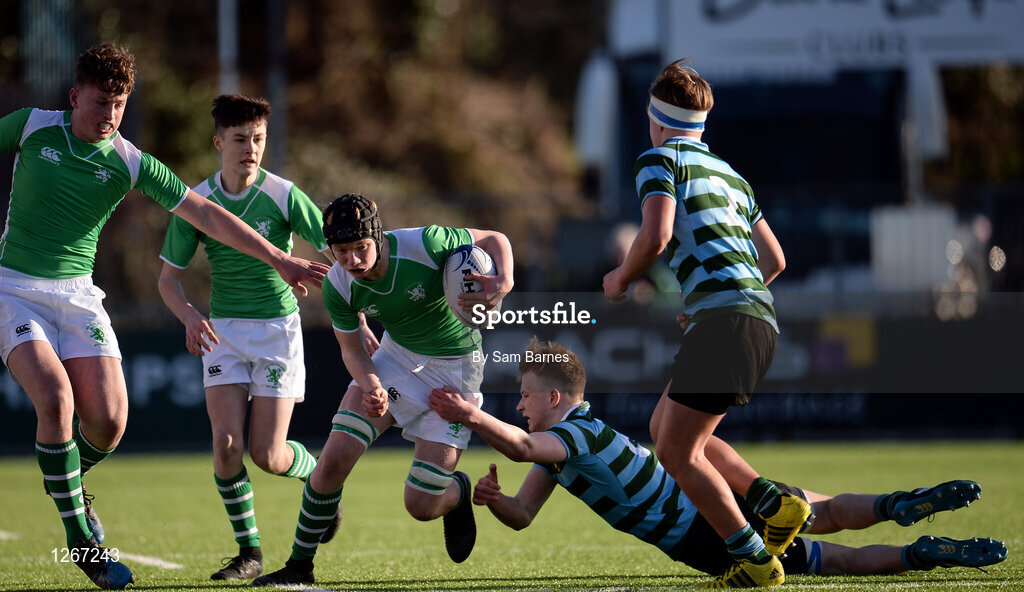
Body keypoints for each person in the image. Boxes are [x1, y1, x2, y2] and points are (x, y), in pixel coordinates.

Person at [0, 43, 327, 591]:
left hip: (78, 294)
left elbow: (206, 214)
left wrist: (280, 257)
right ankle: (83, 538)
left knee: (108, 423)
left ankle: (68, 483)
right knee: (56, 400)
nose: (110, 116)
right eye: (101, 102)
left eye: (120, 105)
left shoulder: (129, 161)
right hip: (14, 288)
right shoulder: (32, 127)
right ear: (75, 96)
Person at [428, 338, 1008, 587]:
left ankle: (919, 555)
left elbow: (526, 446)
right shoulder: (576, 442)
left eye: (525, 394)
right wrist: (498, 502)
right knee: (820, 511)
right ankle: (899, 505)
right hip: (710, 501)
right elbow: (525, 515)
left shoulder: (569, 439)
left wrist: (471, 416)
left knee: (837, 562)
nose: (518, 404)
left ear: (554, 398)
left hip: (704, 534)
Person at [156, 94, 376, 581]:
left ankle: (318, 477)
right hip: (224, 334)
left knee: (269, 455)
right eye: (239, 139)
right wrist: (190, 316)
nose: (250, 148)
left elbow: (342, 265)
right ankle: (249, 552)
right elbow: (167, 280)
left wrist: (360, 322)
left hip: (278, 332)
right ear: (218, 143)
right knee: (226, 445)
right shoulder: (198, 202)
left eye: (257, 139)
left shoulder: (283, 195)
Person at [252, 193, 514, 586]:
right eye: (342, 251)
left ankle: (456, 493)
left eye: (361, 248)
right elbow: (352, 350)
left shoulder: (425, 244)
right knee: (332, 461)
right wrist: (371, 383)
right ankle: (298, 567)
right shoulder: (338, 286)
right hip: (395, 359)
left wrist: (504, 280)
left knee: (421, 506)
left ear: (378, 237)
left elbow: (494, 238)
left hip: (456, 371)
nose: (353, 260)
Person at [601, 58, 795, 587]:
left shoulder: (658, 160)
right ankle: (772, 504)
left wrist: (619, 277)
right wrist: (716, 296)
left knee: (674, 451)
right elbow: (774, 261)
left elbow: (656, 236)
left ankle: (753, 557)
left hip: (726, 323)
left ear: (655, 119)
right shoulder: (730, 173)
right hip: (757, 319)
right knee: (663, 428)